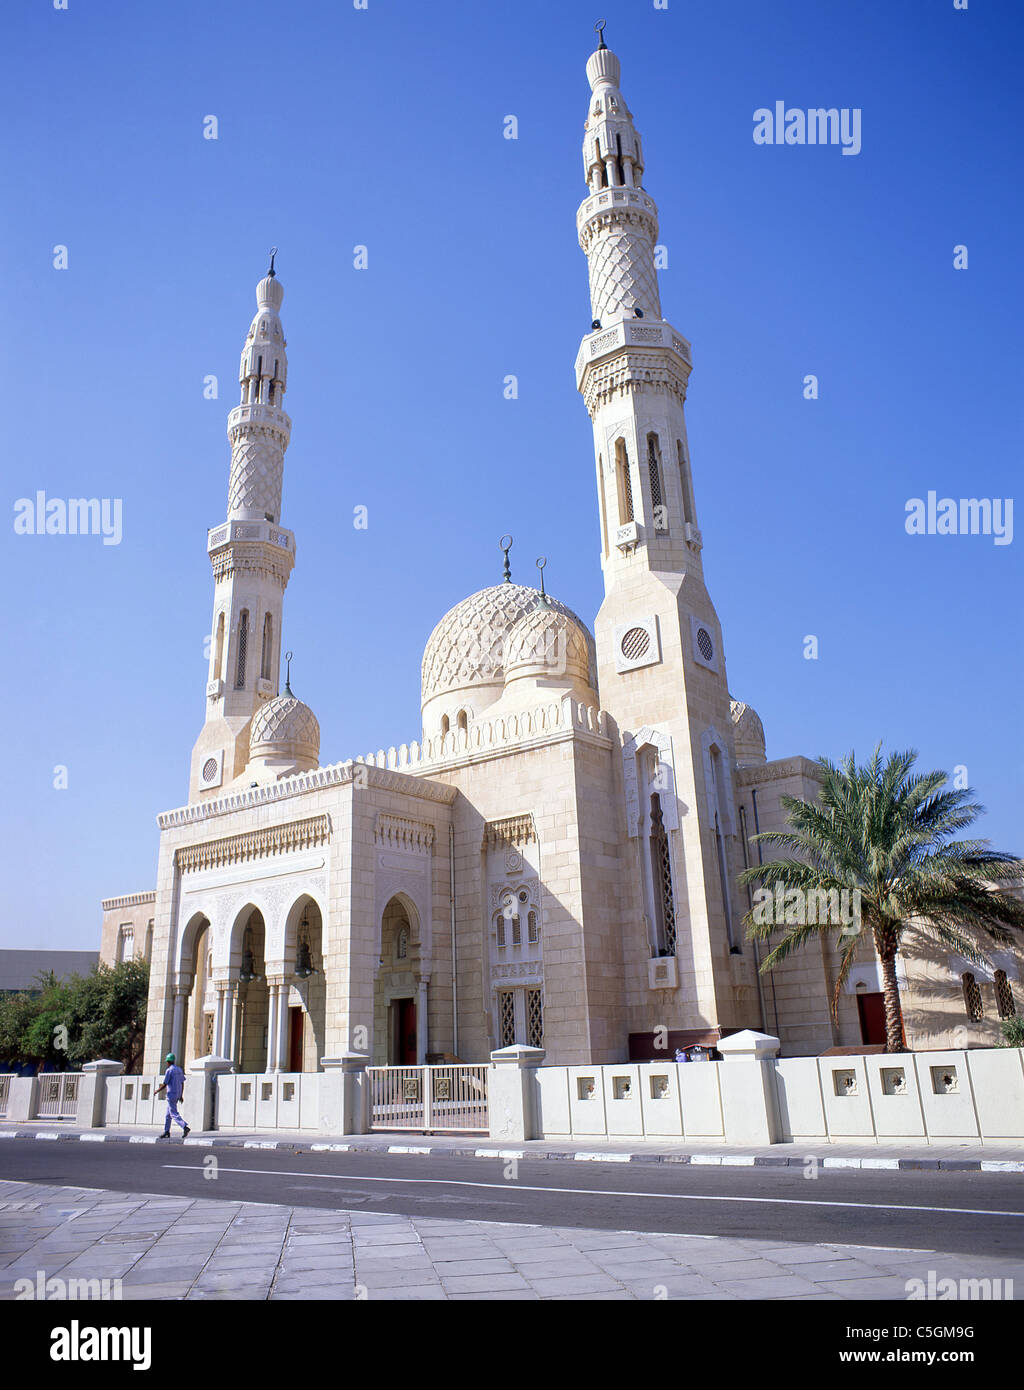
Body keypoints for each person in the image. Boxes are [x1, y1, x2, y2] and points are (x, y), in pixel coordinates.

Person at [155, 1053, 190, 1139]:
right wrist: (181, 1095)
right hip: (177, 1094)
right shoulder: (179, 1069)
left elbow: (165, 1084)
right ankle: (167, 1132)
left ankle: (184, 1126)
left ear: (168, 1062)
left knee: (173, 1113)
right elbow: (182, 1083)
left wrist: (157, 1091)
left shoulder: (169, 1070)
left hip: (171, 1095)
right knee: (168, 1115)